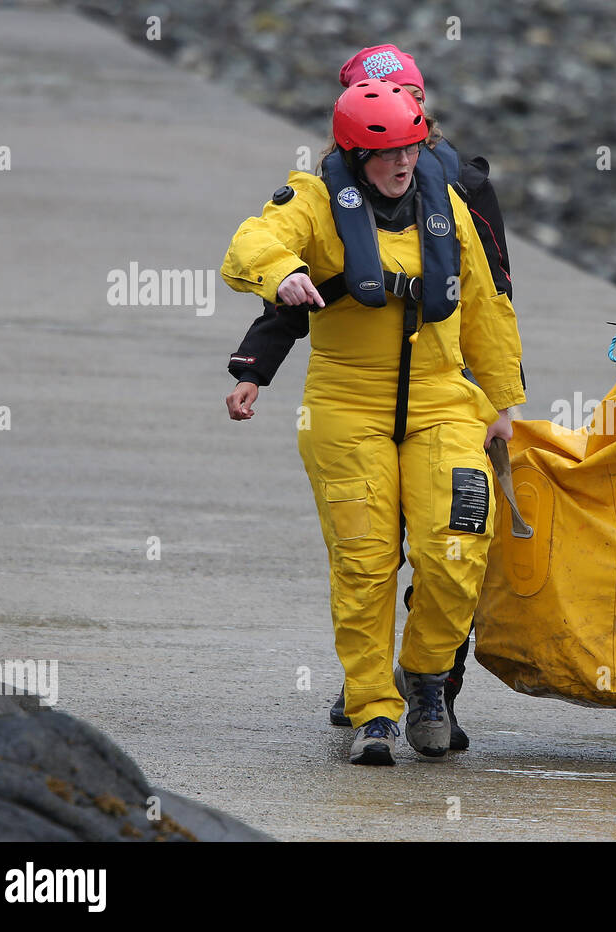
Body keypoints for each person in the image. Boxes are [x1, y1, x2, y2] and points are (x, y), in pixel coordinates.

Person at [221, 79, 525, 765]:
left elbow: (486, 307)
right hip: (345, 402)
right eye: (386, 154)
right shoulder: (315, 201)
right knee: (362, 565)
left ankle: (424, 676)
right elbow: (251, 242)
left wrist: (503, 403)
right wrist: (281, 273)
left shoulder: (446, 205)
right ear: (355, 155)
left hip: (444, 399)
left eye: (411, 149)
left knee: (457, 550)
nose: (402, 165)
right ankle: (373, 709)